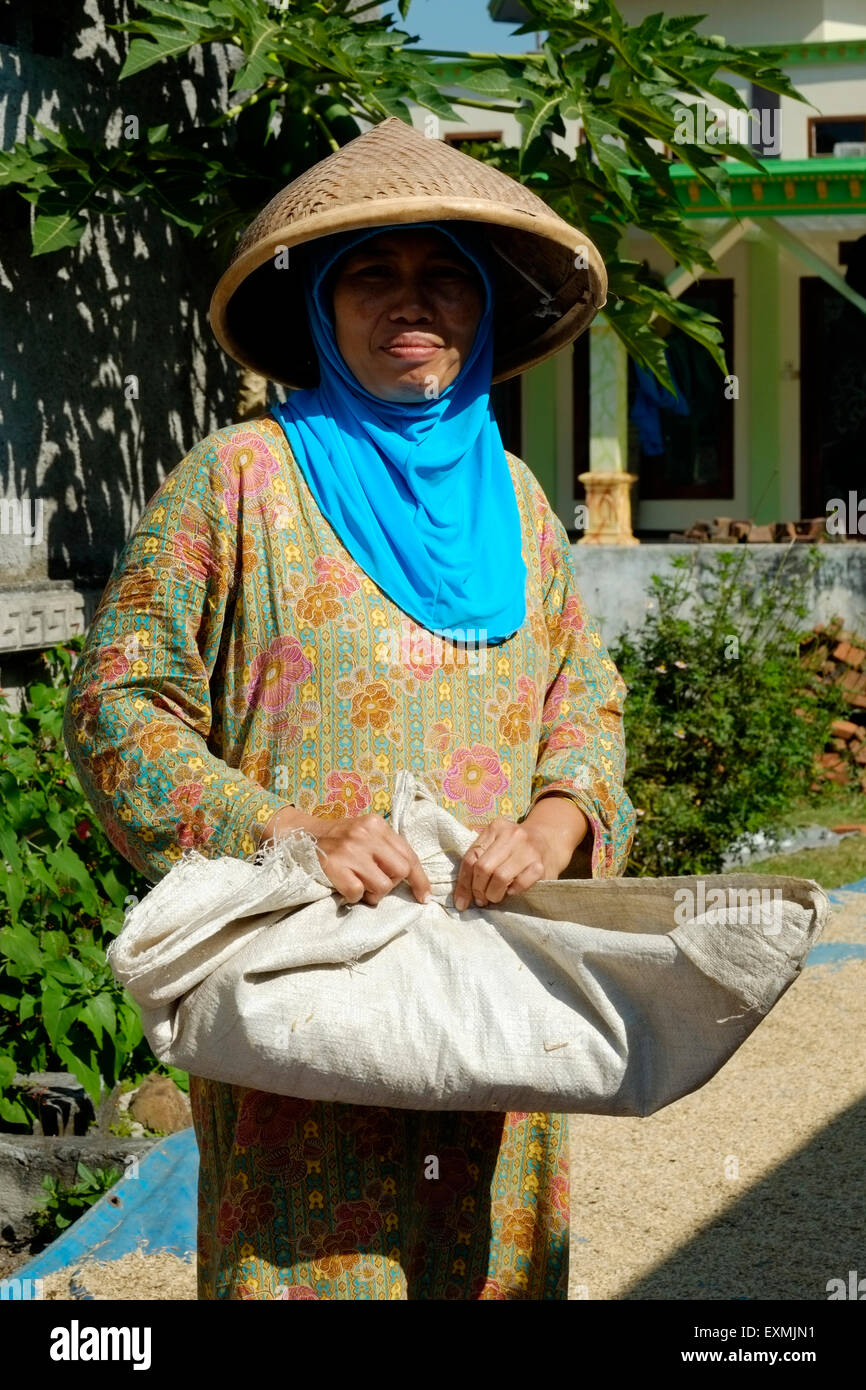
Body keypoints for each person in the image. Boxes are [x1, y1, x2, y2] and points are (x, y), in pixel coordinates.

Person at [64, 117, 636, 1301]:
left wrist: (559, 817)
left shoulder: (520, 501)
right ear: (321, 307)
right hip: (308, 993)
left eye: (442, 276)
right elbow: (120, 701)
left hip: (491, 991)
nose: (408, 302)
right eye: (371, 273)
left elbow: (581, 694)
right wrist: (283, 832)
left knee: (493, 1264)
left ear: (482, 310)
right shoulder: (239, 479)